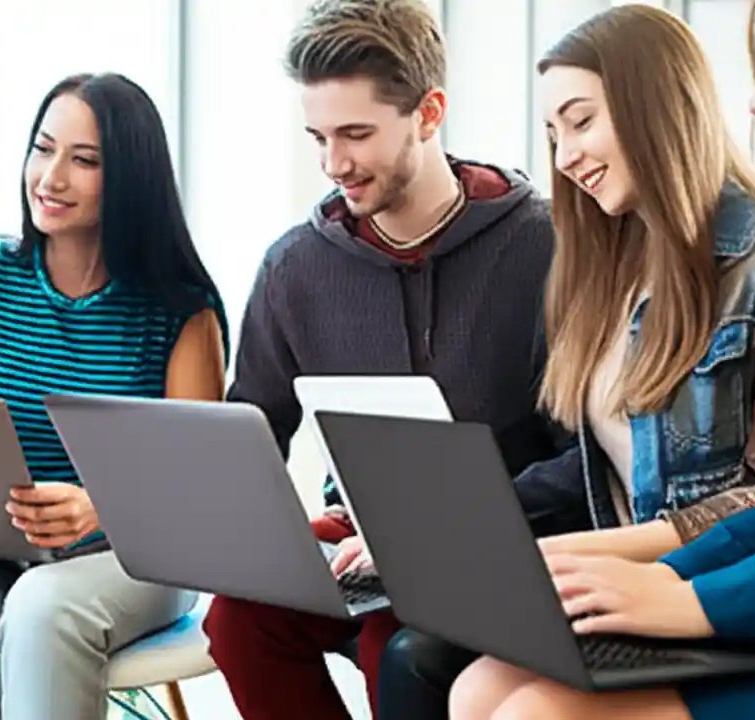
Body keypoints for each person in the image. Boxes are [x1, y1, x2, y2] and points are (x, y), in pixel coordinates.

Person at [381, 4, 755, 716]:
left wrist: (596, 559)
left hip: (712, 578)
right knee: (436, 663)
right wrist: (445, 528)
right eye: (553, 134)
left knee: (439, 670)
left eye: (581, 122)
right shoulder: (609, 265)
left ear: (659, 108)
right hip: (626, 569)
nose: (564, 156)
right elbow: (593, 463)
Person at [200, 1, 581, 718]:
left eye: (355, 134)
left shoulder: (547, 247)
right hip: (366, 532)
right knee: (237, 617)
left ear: (429, 113)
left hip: (513, 537)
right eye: (318, 136)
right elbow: (252, 426)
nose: (333, 163)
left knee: (391, 638)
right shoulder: (295, 268)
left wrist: (448, 521)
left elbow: (589, 456)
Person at [0, 72, 228, 720]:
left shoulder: (180, 311)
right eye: (42, 148)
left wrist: (103, 507)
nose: (50, 177)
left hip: (138, 557)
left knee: (44, 606)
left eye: (83, 160)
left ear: (131, 180)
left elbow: (200, 490)